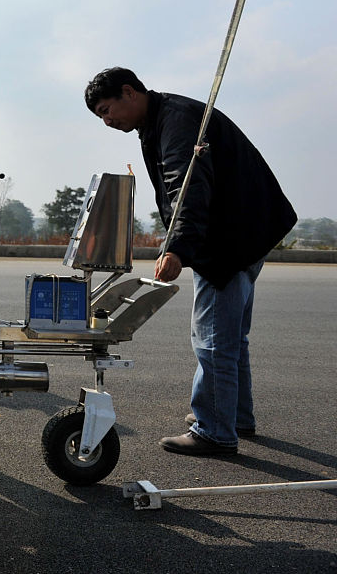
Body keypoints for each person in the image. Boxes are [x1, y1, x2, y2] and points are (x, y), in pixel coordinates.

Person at [84, 67, 296, 456]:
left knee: (212, 339)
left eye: (106, 110)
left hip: (230, 238)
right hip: (249, 230)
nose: (106, 121)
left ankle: (214, 430)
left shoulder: (175, 123)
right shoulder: (163, 117)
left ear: (128, 92)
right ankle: (234, 416)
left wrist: (178, 248)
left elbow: (188, 187)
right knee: (231, 336)